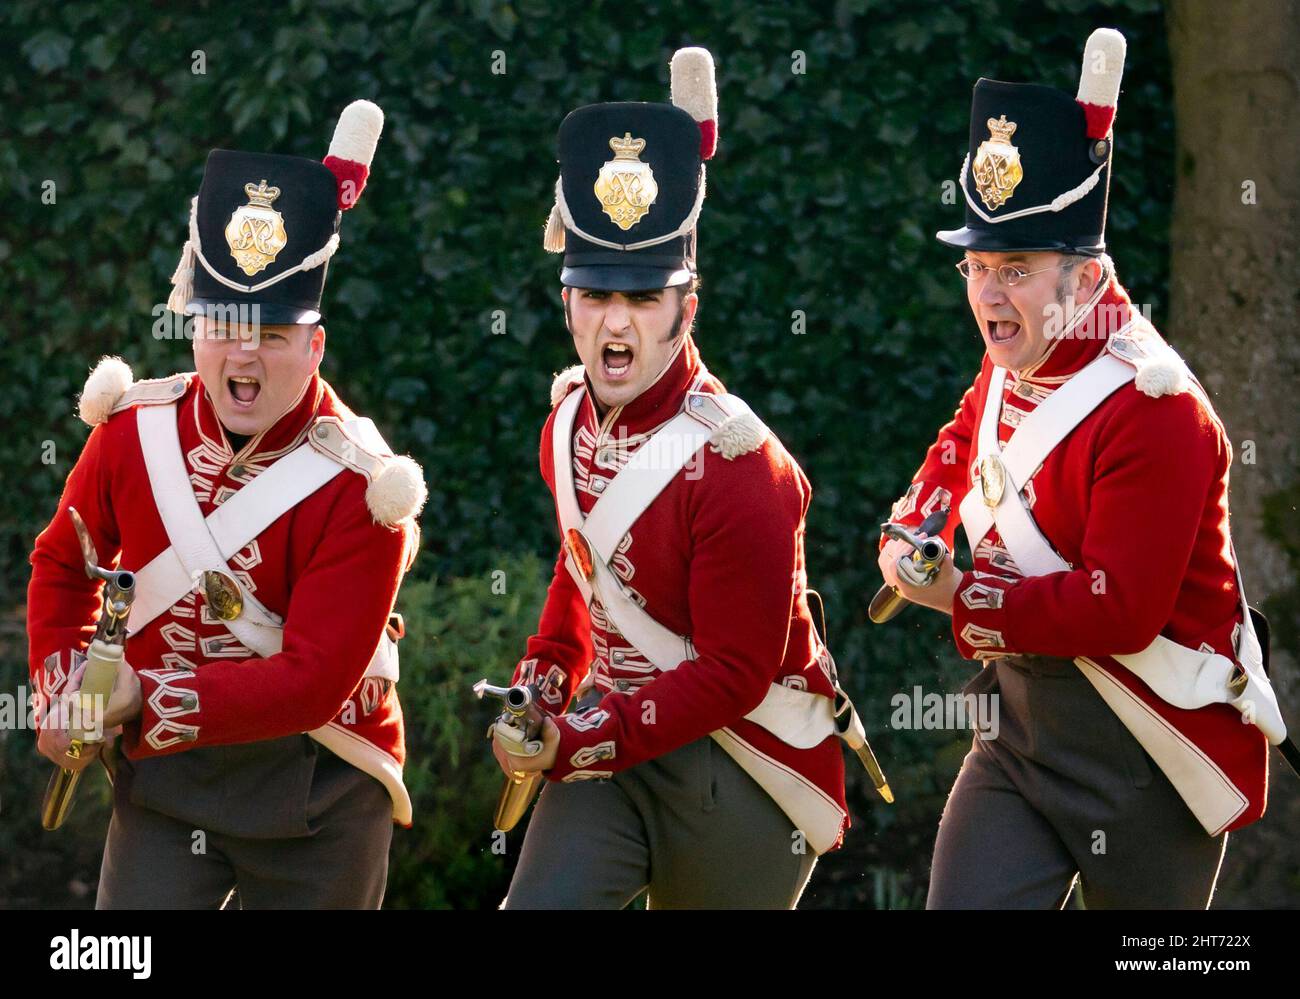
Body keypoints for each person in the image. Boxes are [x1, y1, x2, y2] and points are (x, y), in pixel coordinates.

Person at [877, 29, 1288, 909]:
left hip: (1147, 748)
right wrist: (917, 520)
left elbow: (1123, 608)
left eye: (1014, 268)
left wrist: (962, 596)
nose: (988, 293)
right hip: (1020, 729)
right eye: (978, 265)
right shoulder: (1023, 351)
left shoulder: (1159, 407)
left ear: (1084, 277)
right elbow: (964, 436)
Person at [28, 99, 427, 909]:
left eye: (274, 333)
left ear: (314, 345)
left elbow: (314, 681)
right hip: (167, 776)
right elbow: (61, 564)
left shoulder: (364, 485)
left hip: (320, 784)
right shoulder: (131, 431)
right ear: (196, 328)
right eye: (225, 324)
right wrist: (61, 684)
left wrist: (146, 694)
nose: (245, 350)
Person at [489, 48, 859, 909]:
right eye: (594, 294)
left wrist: (581, 735)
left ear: (686, 309)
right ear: (567, 301)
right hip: (612, 753)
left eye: (645, 297)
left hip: (744, 768)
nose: (615, 322)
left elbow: (734, 671)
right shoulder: (567, 422)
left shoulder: (742, 465)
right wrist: (542, 684)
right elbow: (584, 568)